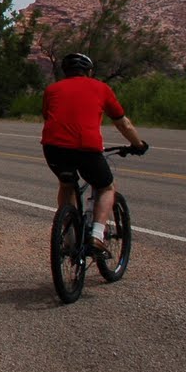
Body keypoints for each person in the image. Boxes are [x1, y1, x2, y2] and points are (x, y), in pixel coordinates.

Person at [41, 51, 147, 255]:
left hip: (53, 148)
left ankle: (69, 235)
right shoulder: (101, 88)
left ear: (66, 72)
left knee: (67, 184)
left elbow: (48, 115)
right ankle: (97, 234)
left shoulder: (52, 89)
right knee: (106, 187)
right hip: (86, 148)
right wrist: (138, 144)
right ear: (88, 72)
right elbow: (123, 123)